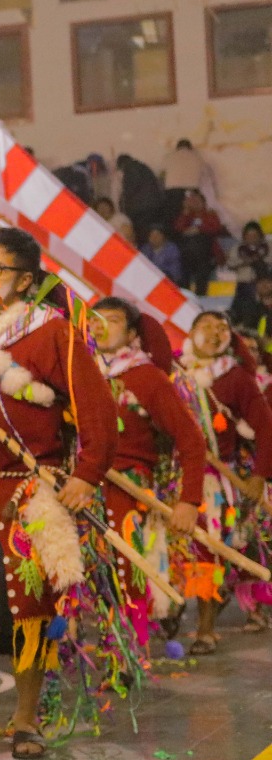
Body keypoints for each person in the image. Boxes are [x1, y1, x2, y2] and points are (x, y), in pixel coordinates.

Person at [0, 228, 120, 760]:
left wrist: (86, 474)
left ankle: (24, 716)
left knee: (28, 609)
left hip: (26, 490)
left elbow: (97, 410)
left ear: (27, 279)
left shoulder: (53, 333)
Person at [90, 299, 205, 643]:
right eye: (95, 320)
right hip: (84, 486)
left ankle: (132, 655)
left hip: (129, 487)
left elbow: (191, 439)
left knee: (128, 571)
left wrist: (190, 501)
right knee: (94, 574)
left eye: (112, 320)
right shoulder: (78, 369)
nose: (101, 326)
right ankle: (111, 649)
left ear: (131, 334)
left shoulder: (147, 377)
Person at [176, 311, 272, 653]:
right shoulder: (173, 372)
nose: (215, 334)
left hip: (212, 482)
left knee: (207, 549)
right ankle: (167, 612)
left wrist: (259, 476)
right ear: (190, 332)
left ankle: (205, 628)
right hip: (169, 476)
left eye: (222, 329)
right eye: (206, 327)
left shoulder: (236, 378)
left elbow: (265, 427)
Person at [173, 190, 226, 296]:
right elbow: (178, 228)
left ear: (203, 202)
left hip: (206, 254)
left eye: (197, 200)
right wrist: (185, 213)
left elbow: (216, 227)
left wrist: (199, 229)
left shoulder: (210, 214)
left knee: (202, 267)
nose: (195, 203)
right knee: (183, 267)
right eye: (192, 201)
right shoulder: (188, 216)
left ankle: (200, 297)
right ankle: (185, 296)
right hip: (189, 255)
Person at [162, 139, 212, 226]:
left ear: (177, 147)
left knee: (173, 219)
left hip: (172, 192)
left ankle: (173, 236)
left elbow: (162, 173)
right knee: (192, 219)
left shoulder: (169, 156)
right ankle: (193, 232)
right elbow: (204, 175)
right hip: (191, 192)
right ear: (190, 148)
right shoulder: (197, 157)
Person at [117, 154, 165, 240]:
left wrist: (123, 206)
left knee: (142, 235)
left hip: (140, 209)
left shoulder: (129, 168)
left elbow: (129, 189)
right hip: (154, 206)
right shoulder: (143, 167)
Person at [230, 223, 270, 312]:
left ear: (260, 235)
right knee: (245, 294)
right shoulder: (238, 249)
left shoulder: (269, 246)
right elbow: (231, 264)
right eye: (249, 235)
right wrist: (247, 262)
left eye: (255, 235)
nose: (252, 237)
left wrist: (259, 259)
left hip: (266, 281)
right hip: (246, 281)